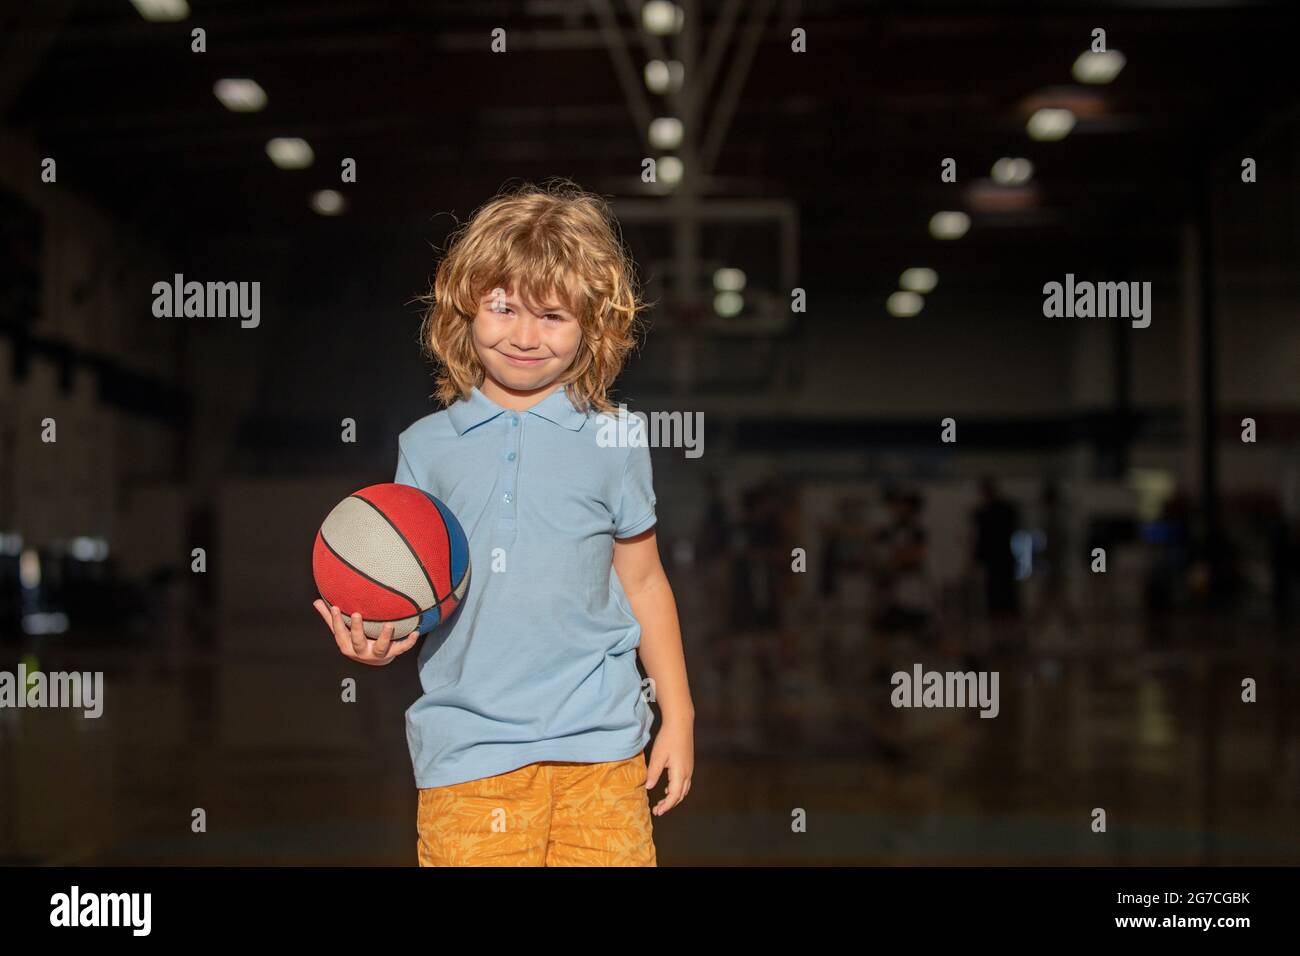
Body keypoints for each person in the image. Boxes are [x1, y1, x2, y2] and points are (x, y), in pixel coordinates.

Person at [311, 180, 694, 866]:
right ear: (465, 310)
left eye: (552, 315)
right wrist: (382, 634)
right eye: (503, 307)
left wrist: (680, 714)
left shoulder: (617, 438)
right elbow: (413, 588)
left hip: (602, 750)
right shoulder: (425, 446)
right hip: (468, 755)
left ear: (594, 324)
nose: (523, 335)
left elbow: (642, 582)